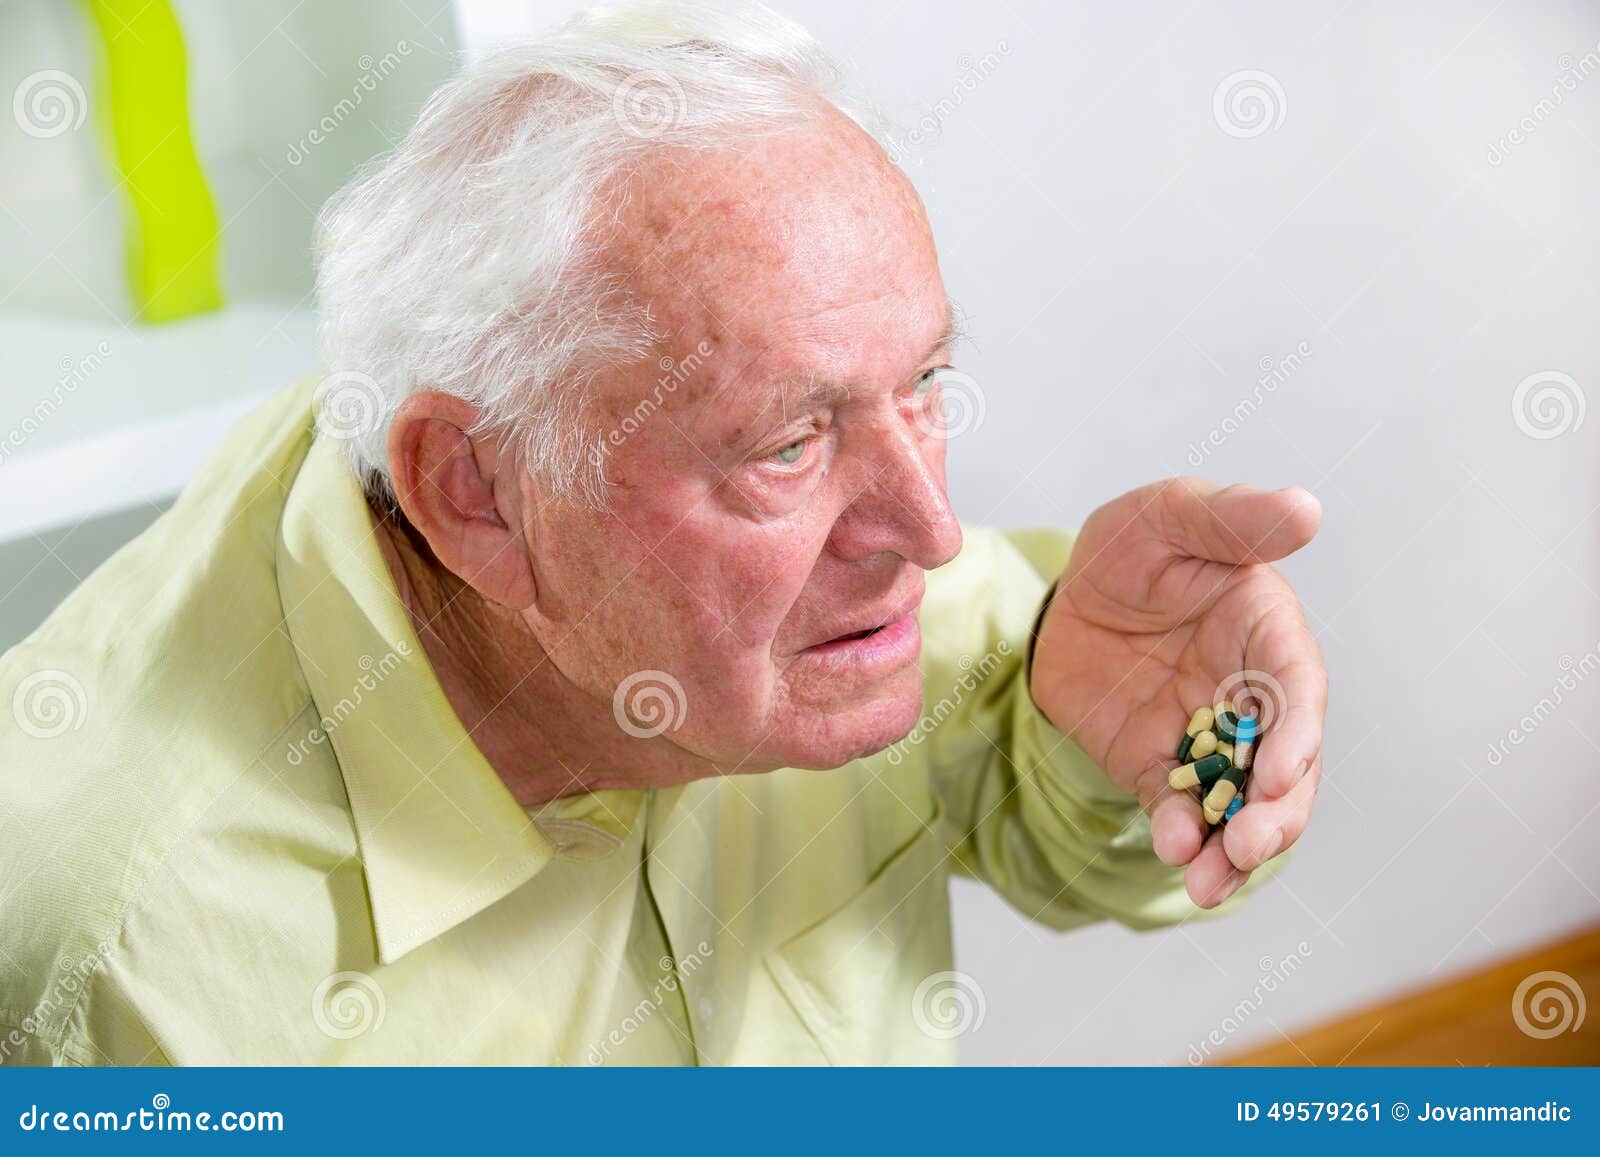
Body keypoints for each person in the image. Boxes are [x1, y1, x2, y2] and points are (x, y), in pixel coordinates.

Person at [0, 0, 1324, 1065]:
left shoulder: (786, 555)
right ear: (475, 492)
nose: (929, 530)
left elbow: (1067, 834)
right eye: (787, 445)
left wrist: (1150, 746)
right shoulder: (125, 978)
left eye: (924, 385)